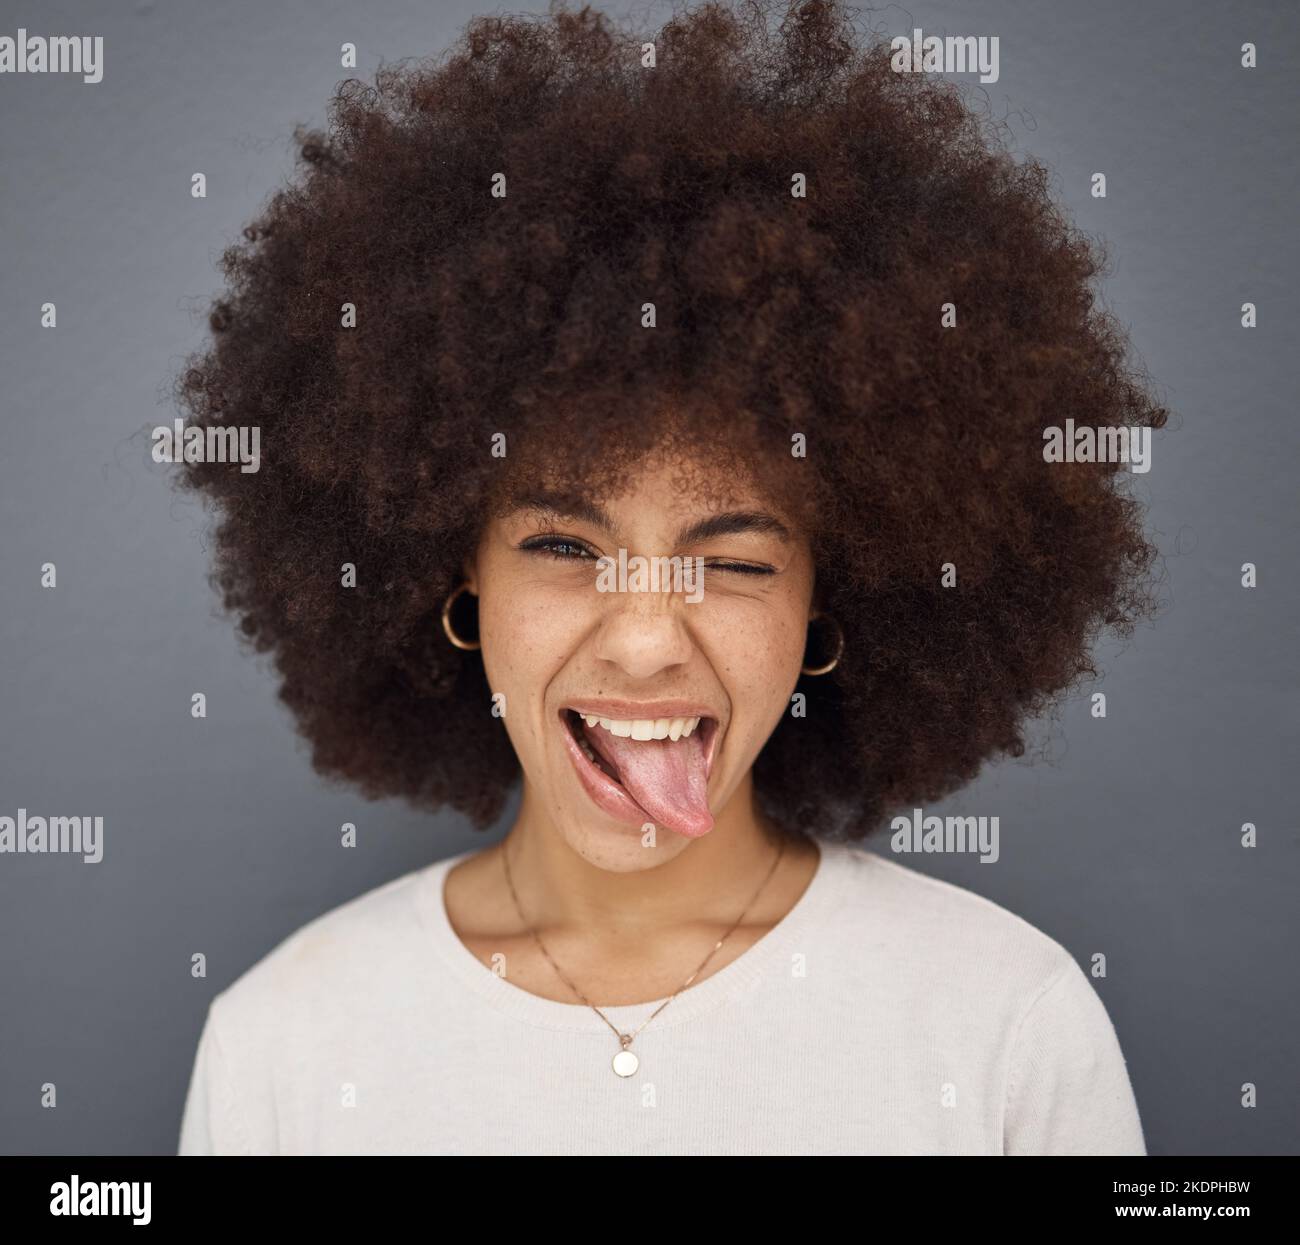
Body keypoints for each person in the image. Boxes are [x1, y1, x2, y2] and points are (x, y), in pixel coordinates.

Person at [175, 0, 1162, 1155]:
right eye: (562, 547)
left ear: (826, 605)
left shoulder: (1009, 1023)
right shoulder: (284, 1044)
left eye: (734, 562)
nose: (645, 641)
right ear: (457, 578)